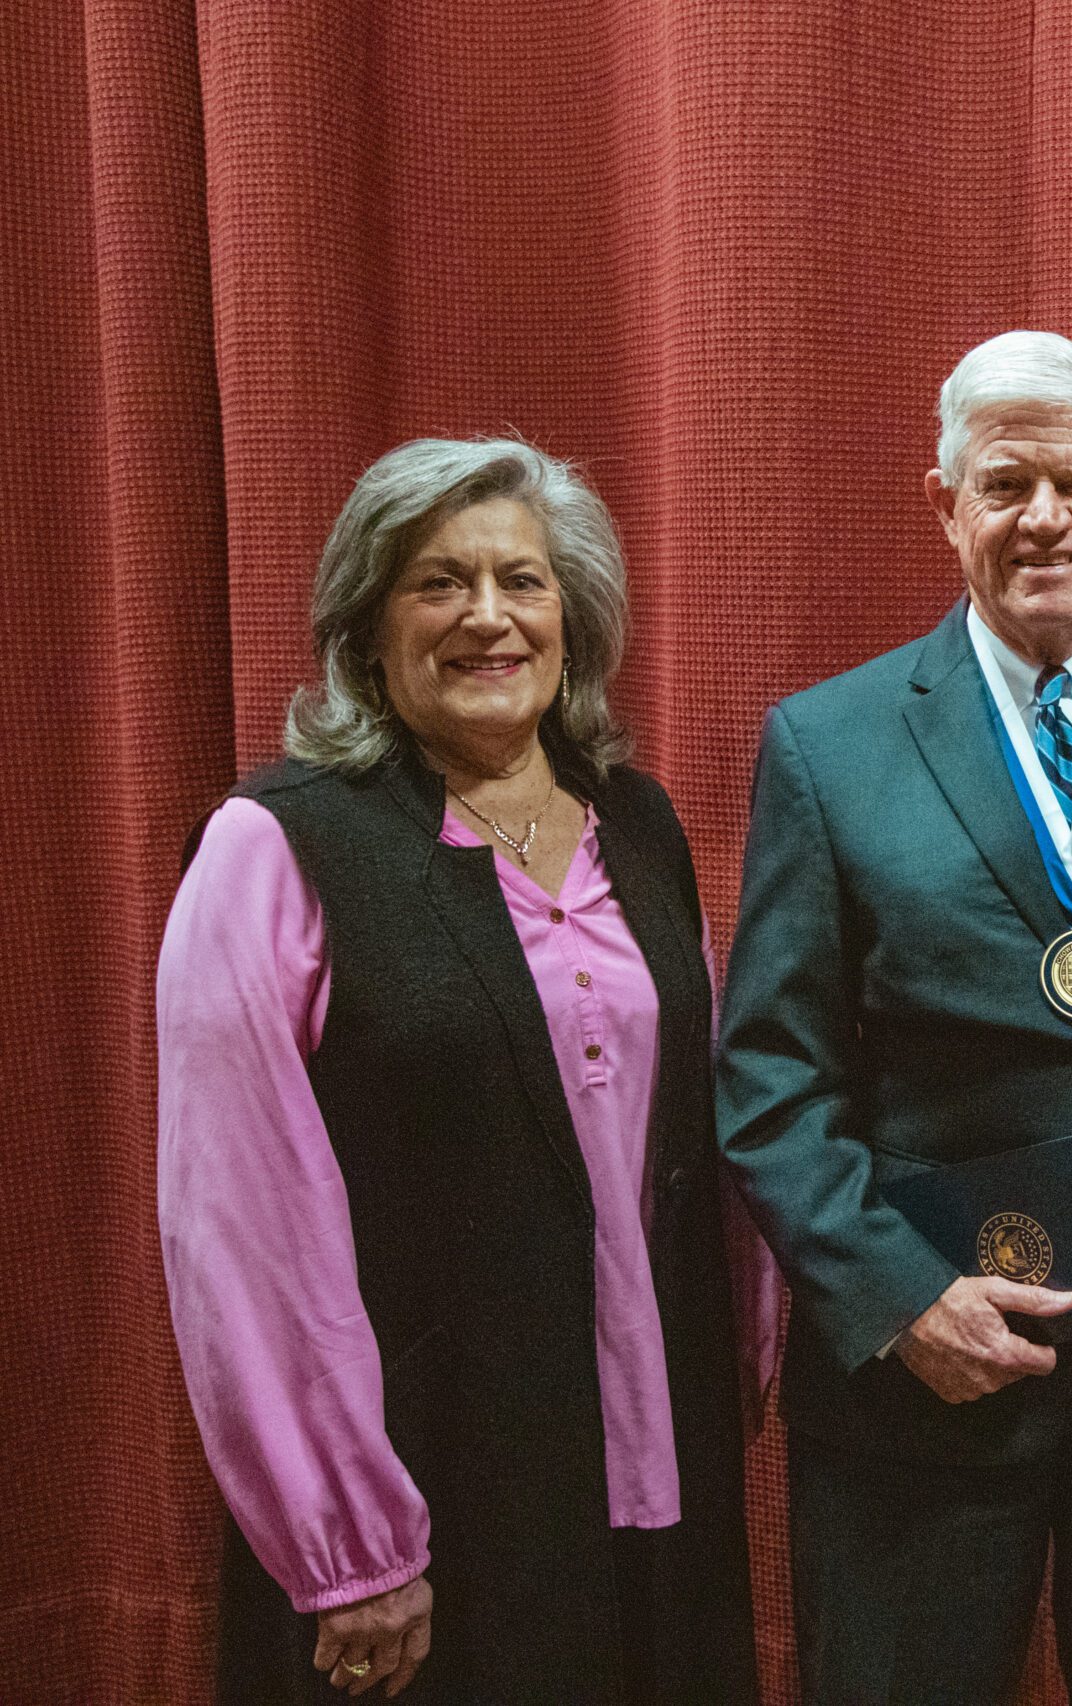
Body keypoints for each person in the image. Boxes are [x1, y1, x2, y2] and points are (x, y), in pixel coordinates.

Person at [717, 330, 1072, 1704]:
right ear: (945, 503)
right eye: (1007, 482)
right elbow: (768, 1079)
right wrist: (898, 1293)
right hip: (928, 1367)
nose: (1046, 517)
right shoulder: (829, 741)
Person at [158, 437, 771, 1703]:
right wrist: (350, 1543)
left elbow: (704, 1131)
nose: (488, 616)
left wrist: (744, 1363)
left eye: (523, 582)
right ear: (368, 630)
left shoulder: (641, 826)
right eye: (438, 582)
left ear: (573, 621)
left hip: (658, 1472)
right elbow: (243, 1227)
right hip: (426, 1492)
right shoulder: (274, 846)